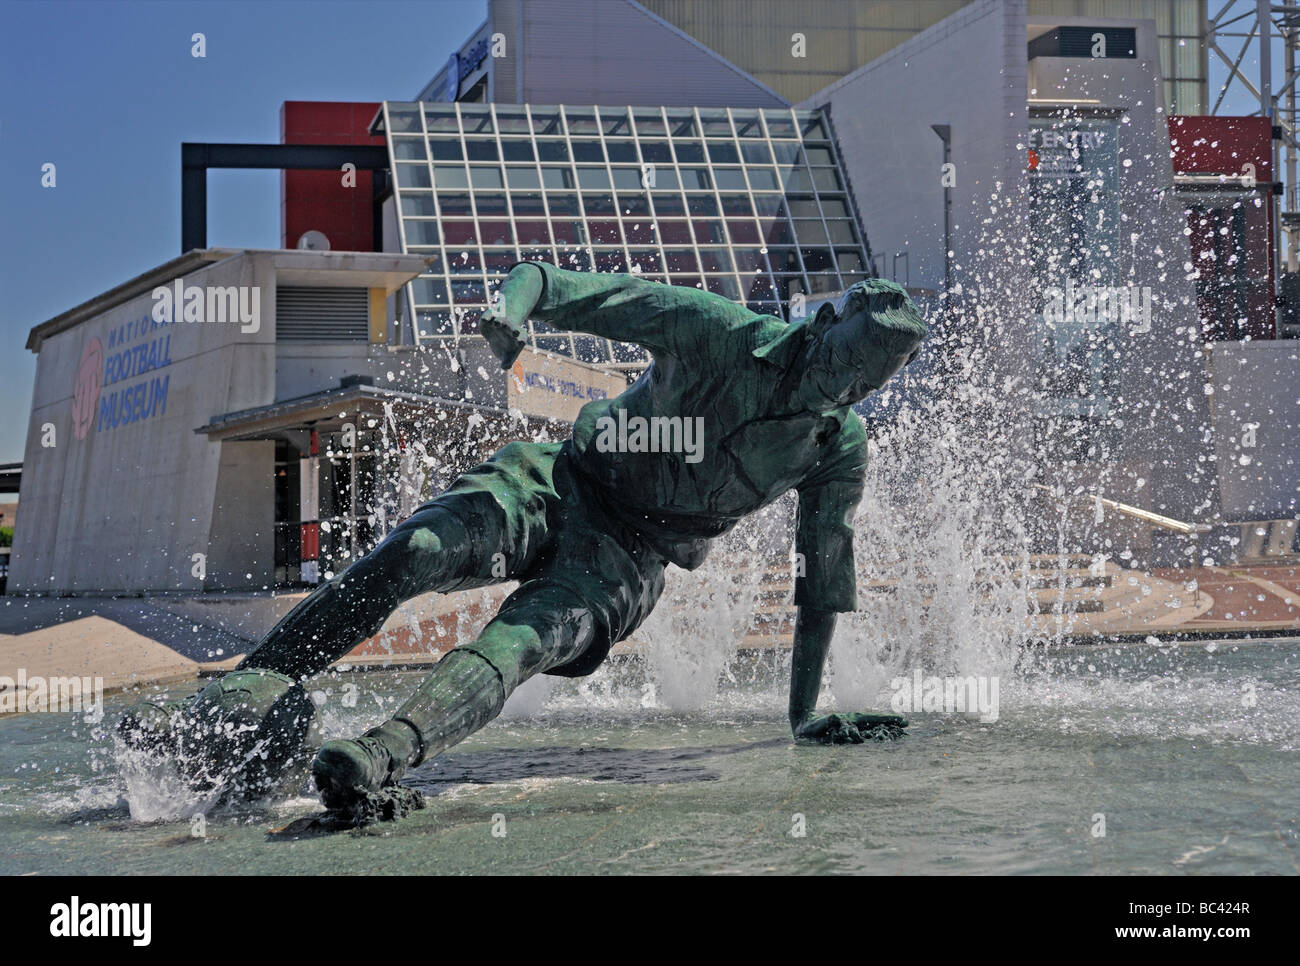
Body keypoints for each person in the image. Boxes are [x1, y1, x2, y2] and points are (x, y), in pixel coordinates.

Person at [123, 261, 928, 814]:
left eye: (865, 386)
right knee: (420, 552)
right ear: (825, 323)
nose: (844, 391)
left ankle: (376, 758)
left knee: (521, 641)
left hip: (627, 559)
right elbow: (555, 284)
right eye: (843, 366)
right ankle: (235, 701)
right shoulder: (719, 330)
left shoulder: (838, 443)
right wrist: (507, 315)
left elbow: (821, 578)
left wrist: (801, 716)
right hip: (559, 479)